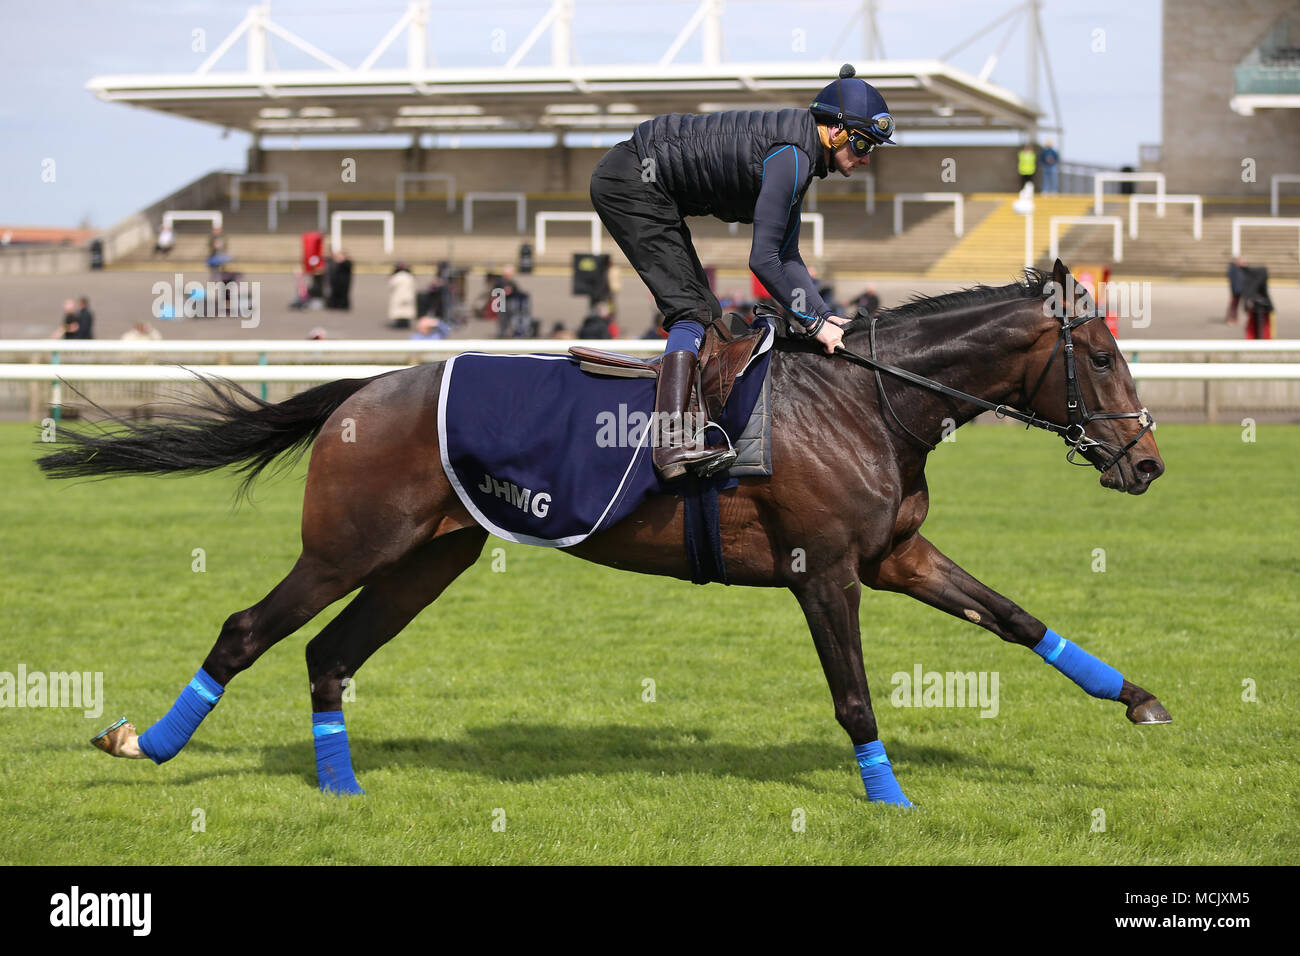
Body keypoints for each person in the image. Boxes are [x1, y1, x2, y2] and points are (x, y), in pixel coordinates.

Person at [589, 63, 888, 479]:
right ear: (835, 131)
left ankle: (699, 429)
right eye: (862, 144)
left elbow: (788, 254)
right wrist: (815, 323)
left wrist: (827, 312)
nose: (865, 159)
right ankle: (669, 445)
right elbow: (762, 260)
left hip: (652, 187)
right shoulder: (792, 156)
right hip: (631, 181)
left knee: (709, 315)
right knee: (691, 312)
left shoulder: (799, 153)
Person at [388, 262, 416, 330]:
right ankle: (405, 323)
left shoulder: (396, 277)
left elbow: (391, 285)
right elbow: (414, 286)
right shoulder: (410, 277)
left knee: (399, 311)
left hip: (398, 296)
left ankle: (399, 323)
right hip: (408, 295)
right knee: (406, 311)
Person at [1226, 256, 1246, 325]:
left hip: (1240, 290)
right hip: (1235, 290)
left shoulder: (1241, 269)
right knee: (1233, 305)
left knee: (1236, 305)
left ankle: (1235, 318)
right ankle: (1230, 319)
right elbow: (1231, 279)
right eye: (1241, 261)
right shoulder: (1233, 269)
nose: (1243, 263)